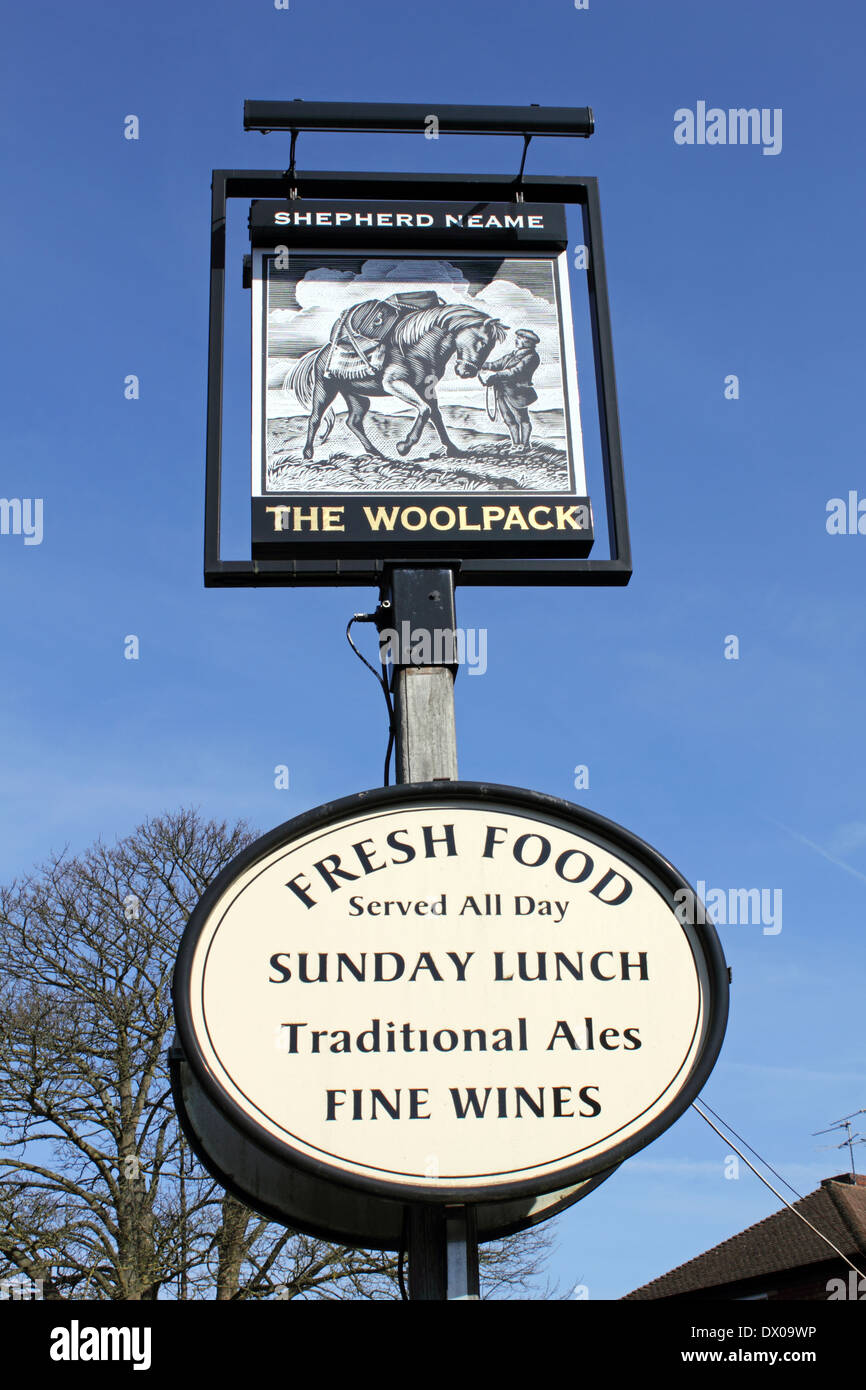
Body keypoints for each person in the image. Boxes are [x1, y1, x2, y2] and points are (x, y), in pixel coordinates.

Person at [480, 328, 540, 448]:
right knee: (509, 420)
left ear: (528, 342)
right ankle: (515, 445)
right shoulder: (513, 354)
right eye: (517, 338)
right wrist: (481, 364)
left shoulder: (532, 357)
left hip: (518, 392)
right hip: (502, 391)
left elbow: (516, 371)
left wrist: (495, 376)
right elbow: (496, 364)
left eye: (520, 338)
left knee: (522, 419)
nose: (516, 340)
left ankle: (525, 445)